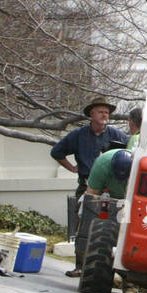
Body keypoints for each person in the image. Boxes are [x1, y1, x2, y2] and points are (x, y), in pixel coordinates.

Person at [50, 97, 127, 276]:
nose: (104, 115)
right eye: (101, 111)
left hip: (113, 189)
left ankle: (111, 269)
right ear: (91, 114)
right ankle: (80, 266)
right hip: (86, 186)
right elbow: (56, 152)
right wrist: (72, 168)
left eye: (107, 112)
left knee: (116, 225)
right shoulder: (78, 135)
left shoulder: (117, 135)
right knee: (83, 225)